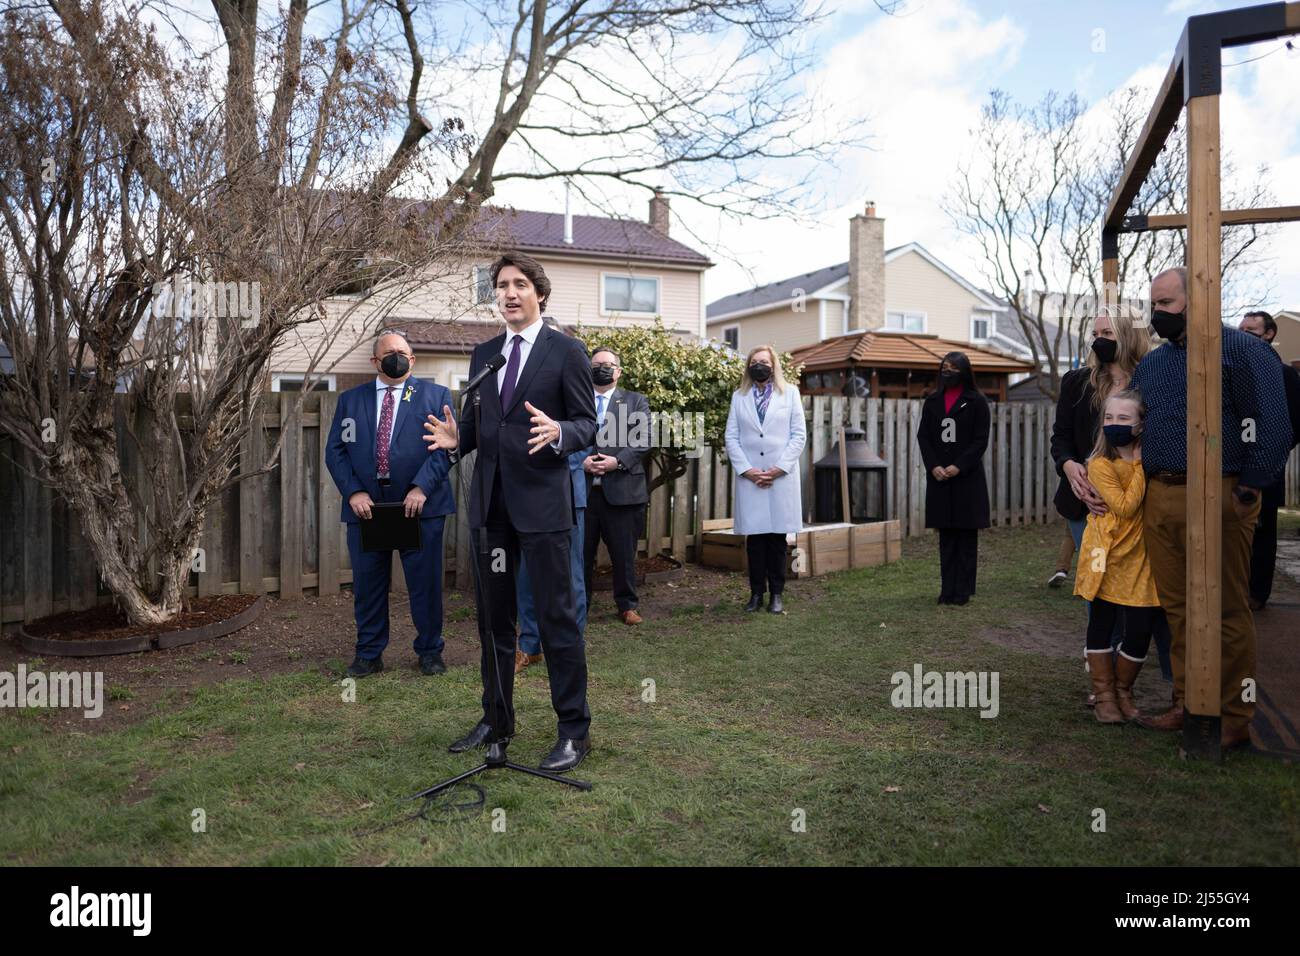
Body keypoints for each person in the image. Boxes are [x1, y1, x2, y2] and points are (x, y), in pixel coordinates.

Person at [423, 252, 598, 773]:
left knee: (556, 621)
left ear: (539, 293)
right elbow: (482, 428)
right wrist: (460, 440)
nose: (509, 293)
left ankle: (574, 731)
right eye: (501, 285)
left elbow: (586, 424)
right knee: (493, 623)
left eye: (520, 284)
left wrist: (562, 433)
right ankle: (496, 720)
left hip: (544, 510)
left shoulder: (566, 352)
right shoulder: (485, 356)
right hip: (492, 510)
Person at [1131, 268, 1292, 751]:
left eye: (1166, 303)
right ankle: (1188, 702)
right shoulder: (1154, 365)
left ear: (1196, 300)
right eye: (1153, 304)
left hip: (1221, 491)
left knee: (1226, 609)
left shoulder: (1244, 352)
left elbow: (1271, 420)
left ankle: (1236, 714)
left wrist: (1249, 487)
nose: (1157, 313)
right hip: (1160, 494)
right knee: (1177, 607)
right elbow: (1134, 418)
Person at [324, 330, 455, 677]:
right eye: (389, 352)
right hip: (368, 509)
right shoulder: (350, 401)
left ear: (412, 359)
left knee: (425, 585)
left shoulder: (435, 396)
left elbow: (445, 449)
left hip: (420, 507)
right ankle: (369, 654)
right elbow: (335, 451)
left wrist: (421, 487)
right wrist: (353, 492)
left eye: (403, 352)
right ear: (375, 361)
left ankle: (430, 651)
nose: (397, 356)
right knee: (368, 586)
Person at [1073, 390, 1161, 723]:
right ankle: (1104, 696)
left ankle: (1123, 690)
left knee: (1139, 628)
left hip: (1138, 552)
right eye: (1109, 418)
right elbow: (1125, 507)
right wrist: (1141, 462)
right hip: (1102, 551)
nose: (1114, 424)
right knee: (1101, 620)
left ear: (1141, 425)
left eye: (1124, 419)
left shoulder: (1152, 460)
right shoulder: (1099, 464)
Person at [724, 345, 806, 614]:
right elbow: (732, 437)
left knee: (777, 540)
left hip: (780, 477)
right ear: (748, 366)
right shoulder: (740, 396)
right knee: (755, 541)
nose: (759, 365)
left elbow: (798, 436)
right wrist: (747, 470)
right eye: (754, 361)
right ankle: (756, 594)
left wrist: (779, 468)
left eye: (764, 361)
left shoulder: (790, 393)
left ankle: (777, 595)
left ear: (773, 366)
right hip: (751, 478)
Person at [583, 347, 652, 626]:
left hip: (623, 491)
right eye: (596, 364)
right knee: (580, 556)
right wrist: (581, 462)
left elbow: (644, 438)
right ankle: (579, 607)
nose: (602, 368)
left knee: (624, 555)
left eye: (608, 364)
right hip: (583, 492)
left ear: (618, 371)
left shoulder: (636, 401)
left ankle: (627, 606)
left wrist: (617, 462)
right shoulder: (576, 400)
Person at [1238, 310, 1300, 610]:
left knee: (1262, 533)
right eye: (1241, 328)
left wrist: (1272, 450)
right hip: (1233, 465)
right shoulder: (1233, 370)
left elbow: (1295, 422)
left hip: (1267, 468)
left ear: (1269, 333)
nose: (1244, 333)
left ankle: (1257, 593)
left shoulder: (1285, 375)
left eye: (1251, 329)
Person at [917, 352, 990, 606]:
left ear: (964, 371)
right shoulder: (933, 401)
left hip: (966, 479)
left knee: (966, 536)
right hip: (940, 480)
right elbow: (923, 437)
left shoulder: (977, 402)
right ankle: (947, 589)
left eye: (953, 367)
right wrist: (934, 465)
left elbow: (980, 440)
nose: (947, 371)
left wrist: (959, 466)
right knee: (946, 537)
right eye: (944, 367)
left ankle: (963, 590)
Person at [515, 448, 588, 672]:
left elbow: (583, 437)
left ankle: (571, 648)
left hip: (567, 496)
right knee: (527, 576)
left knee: (571, 576)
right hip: (527, 498)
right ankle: (529, 646)